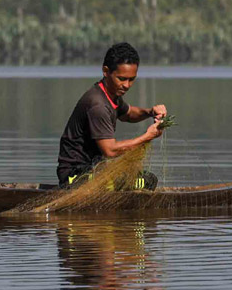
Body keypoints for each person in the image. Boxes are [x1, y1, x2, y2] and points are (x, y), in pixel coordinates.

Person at [56, 42, 167, 188]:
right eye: (121, 79)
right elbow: (111, 150)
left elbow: (128, 114)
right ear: (105, 71)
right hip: (75, 177)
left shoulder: (110, 94)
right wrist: (148, 136)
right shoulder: (98, 105)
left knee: (147, 179)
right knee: (144, 183)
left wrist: (150, 112)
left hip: (94, 171)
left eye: (131, 79)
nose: (127, 85)